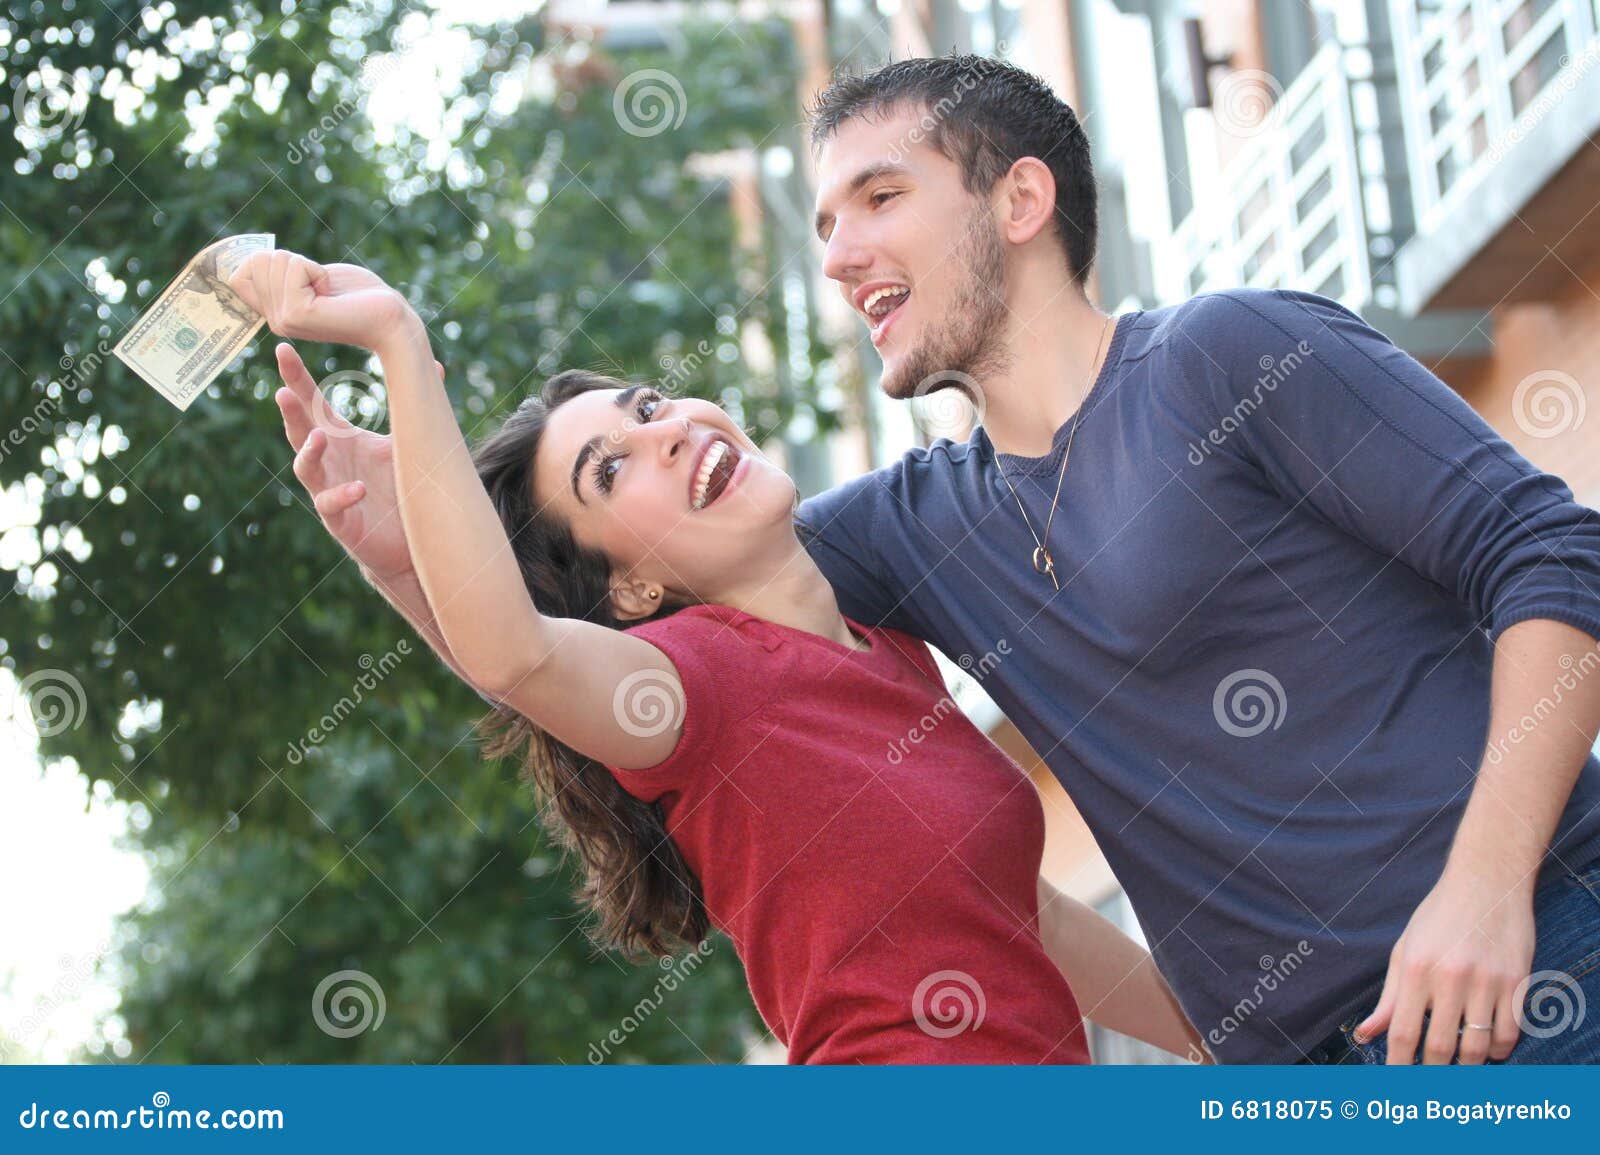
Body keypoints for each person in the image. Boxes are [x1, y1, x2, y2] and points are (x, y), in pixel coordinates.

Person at [797, 54, 1600, 1064]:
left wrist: (1485, 891)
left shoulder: (1226, 354)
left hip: (1539, 975)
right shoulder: (907, 527)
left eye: (879, 197)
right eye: (826, 226)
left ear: (1019, 200)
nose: (839, 256)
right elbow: (631, 617)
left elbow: (1554, 555)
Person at [228, 248, 1205, 1064]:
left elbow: (1016, 915)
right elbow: (516, 657)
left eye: (648, 404)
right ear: (633, 595)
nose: (662, 432)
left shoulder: (887, 648)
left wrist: (1223, 1044)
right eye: (608, 470)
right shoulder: (692, 686)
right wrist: (399, 344)